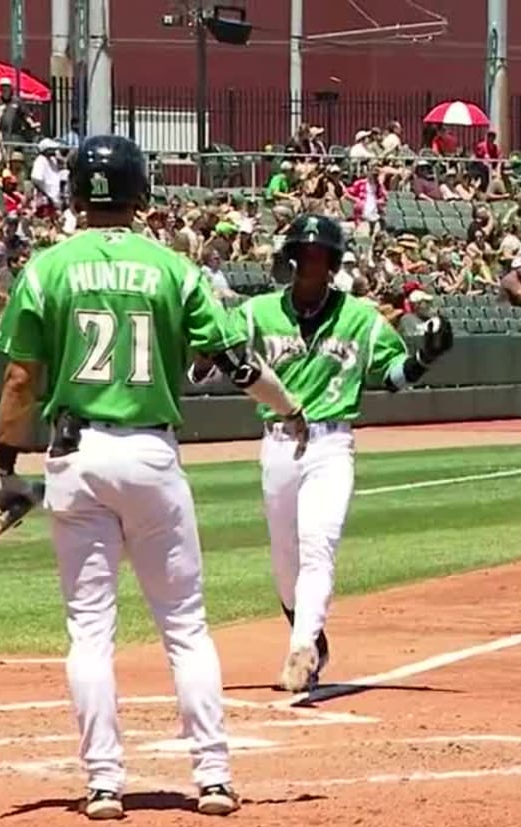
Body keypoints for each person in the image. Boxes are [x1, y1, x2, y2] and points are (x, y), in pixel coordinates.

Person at [0, 134, 310, 821]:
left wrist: (3, 468)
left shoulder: (46, 269)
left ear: (73, 193)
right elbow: (233, 359)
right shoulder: (176, 270)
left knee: (89, 632)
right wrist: (288, 408)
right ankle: (213, 776)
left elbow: (19, 378)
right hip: (152, 456)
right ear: (142, 193)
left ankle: (103, 784)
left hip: (75, 457)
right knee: (185, 625)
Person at [188, 214, 454, 694]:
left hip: (331, 443)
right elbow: (203, 371)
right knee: (285, 563)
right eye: (302, 256)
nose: (310, 265)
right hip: (278, 445)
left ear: (332, 264)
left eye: (319, 256)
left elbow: (390, 377)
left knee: (317, 545)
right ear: (290, 261)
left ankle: (302, 648)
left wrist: (423, 358)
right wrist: (206, 353)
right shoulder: (255, 313)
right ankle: (311, 636)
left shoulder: (359, 318)